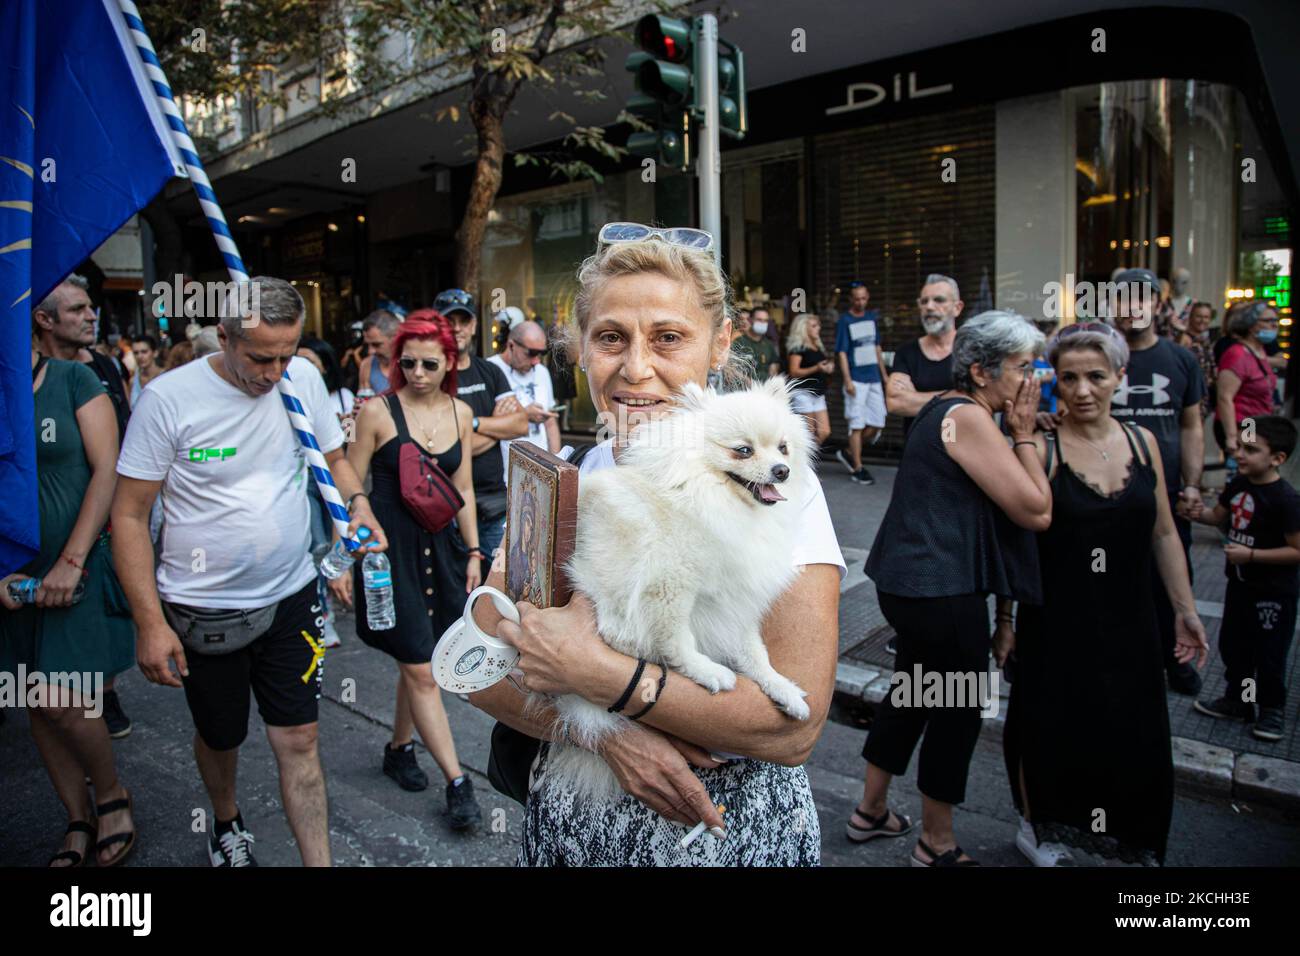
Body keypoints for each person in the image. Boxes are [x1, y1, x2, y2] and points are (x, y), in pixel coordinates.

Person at [466, 231, 845, 866]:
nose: (636, 368)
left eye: (668, 338)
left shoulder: (777, 489)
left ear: (720, 345)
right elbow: (473, 666)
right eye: (611, 337)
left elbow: (792, 728)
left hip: (724, 830)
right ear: (581, 347)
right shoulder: (563, 475)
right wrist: (610, 738)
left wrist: (596, 676)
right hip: (573, 826)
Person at [111, 277, 388, 867]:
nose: (273, 372)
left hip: (292, 597)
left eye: (285, 354)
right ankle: (226, 819)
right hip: (203, 609)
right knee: (221, 735)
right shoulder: (169, 399)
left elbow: (332, 457)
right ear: (223, 335)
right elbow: (130, 515)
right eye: (260, 356)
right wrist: (150, 624)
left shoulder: (302, 379)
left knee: (300, 737)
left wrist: (357, 505)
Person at [1005, 323, 1208, 867]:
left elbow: (1165, 533)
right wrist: (1005, 623)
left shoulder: (1144, 444)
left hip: (1132, 618)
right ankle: (1045, 829)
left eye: (1096, 376)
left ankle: (1131, 835)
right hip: (1057, 621)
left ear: (1121, 376)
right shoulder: (1041, 449)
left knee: (1133, 731)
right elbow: (1016, 543)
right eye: (1068, 378)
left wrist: (1185, 610)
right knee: (1055, 727)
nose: (1082, 389)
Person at [852, 311, 1049, 867]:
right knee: (957, 707)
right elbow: (1034, 510)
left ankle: (869, 812)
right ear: (983, 372)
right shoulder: (968, 417)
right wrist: (1028, 436)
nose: (1029, 378)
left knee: (915, 692)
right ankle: (935, 842)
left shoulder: (947, 408)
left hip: (914, 587)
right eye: (1020, 367)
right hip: (941, 591)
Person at [329, 313, 485, 829]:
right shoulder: (377, 410)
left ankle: (399, 747)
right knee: (421, 667)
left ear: (450, 363)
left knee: (418, 656)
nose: (417, 372)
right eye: (408, 362)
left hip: (440, 551)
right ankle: (457, 782)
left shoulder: (461, 412)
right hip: (390, 551)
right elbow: (348, 471)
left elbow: (461, 489)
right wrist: (348, 539)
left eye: (429, 364)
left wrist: (475, 554)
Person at [0, 351, 138, 867]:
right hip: (11, 579)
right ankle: (77, 816)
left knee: (61, 697)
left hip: (72, 572)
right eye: (77, 308)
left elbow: (108, 471)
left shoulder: (73, 378)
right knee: (34, 701)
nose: (88, 315)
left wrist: (72, 561)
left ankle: (111, 795)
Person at [32, 274, 133, 739]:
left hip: (99, 532)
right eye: (78, 310)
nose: (92, 316)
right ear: (43, 319)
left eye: (91, 308)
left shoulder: (99, 371)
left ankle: (102, 697)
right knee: (39, 681)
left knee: (94, 637)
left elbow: (116, 456)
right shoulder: (19, 380)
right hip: (29, 552)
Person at [1108, 267, 1206, 696]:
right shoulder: (1099, 357)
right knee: (1109, 581)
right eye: (1122, 299)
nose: (1131, 308)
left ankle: (1175, 661)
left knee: (1169, 582)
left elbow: (1192, 427)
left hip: (1164, 496)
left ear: (1157, 305)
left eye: (1140, 299)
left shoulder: (1181, 359)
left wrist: (1192, 484)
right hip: (1106, 496)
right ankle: (1119, 661)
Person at [1192, 416, 1300, 743]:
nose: (1239, 454)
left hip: (1274, 593)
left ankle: (1271, 710)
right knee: (1235, 647)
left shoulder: (1286, 499)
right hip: (1240, 586)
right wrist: (1196, 511)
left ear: (1277, 459)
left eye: (1250, 449)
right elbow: (1216, 517)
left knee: (1268, 653)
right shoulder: (1238, 485)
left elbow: (1296, 550)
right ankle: (1240, 700)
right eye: (1238, 446)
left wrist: (1252, 556)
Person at [433, 288, 528, 574]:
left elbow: (520, 424)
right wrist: (497, 427)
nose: (457, 328)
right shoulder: (431, 375)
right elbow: (444, 451)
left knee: (502, 584)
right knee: (456, 593)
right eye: (450, 321)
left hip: (494, 503)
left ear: (474, 325)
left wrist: (473, 424)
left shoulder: (490, 372)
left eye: (464, 320)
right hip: (446, 506)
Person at [295, 337, 352, 649]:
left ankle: (334, 593)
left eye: (312, 363)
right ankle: (324, 617)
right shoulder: (288, 391)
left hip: (331, 476)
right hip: (304, 475)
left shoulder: (342, 396)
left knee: (336, 541)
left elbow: (347, 445)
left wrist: (347, 426)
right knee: (317, 546)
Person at [885, 274, 962, 439]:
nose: (929, 307)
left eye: (939, 300)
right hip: (918, 451)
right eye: (924, 301)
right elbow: (895, 402)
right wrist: (956, 396)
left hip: (963, 451)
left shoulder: (971, 351)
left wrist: (915, 398)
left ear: (957, 308)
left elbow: (981, 402)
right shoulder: (907, 352)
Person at [487, 319, 561, 463]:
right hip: (505, 473)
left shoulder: (542, 372)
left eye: (541, 354)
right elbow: (483, 425)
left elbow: (550, 423)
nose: (536, 361)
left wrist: (557, 463)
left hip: (542, 469)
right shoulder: (489, 369)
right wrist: (524, 415)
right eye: (531, 353)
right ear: (511, 345)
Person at [834, 281, 885, 485]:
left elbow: (877, 347)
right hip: (856, 378)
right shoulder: (845, 320)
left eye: (864, 298)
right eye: (857, 298)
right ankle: (858, 467)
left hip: (874, 377)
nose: (861, 302)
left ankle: (848, 452)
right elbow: (842, 352)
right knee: (856, 424)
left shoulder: (872, 318)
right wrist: (847, 380)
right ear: (851, 299)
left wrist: (885, 375)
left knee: (877, 422)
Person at [1216, 301, 1280, 463]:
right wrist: (1231, 437)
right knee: (1246, 467)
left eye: (1275, 321)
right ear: (1251, 325)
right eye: (1268, 320)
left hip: (1258, 422)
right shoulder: (1238, 354)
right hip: (1245, 423)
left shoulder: (1259, 351)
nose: (1274, 325)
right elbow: (1225, 397)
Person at [785, 313, 834, 447]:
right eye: (813, 326)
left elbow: (820, 366)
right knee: (809, 432)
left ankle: (805, 461)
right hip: (803, 392)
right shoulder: (798, 348)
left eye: (818, 325)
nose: (817, 328)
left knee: (824, 432)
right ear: (803, 328)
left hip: (818, 393)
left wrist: (827, 368)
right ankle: (803, 464)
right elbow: (794, 372)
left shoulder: (817, 346)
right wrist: (817, 368)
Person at [1180, 302, 1218, 418]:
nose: (1202, 320)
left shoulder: (1206, 340)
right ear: (1191, 317)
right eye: (1198, 316)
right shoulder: (1184, 339)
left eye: (1206, 317)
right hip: (1188, 394)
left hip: (1204, 395)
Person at [357, 309, 401, 397]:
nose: (370, 351)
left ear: (396, 338)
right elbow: (363, 405)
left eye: (376, 344)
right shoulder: (367, 365)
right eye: (367, 345)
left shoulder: (415, 366)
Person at [730, 305, 780, 383]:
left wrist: (771, 385)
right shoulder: (739, 342)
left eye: (765, 320)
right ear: (750, 320)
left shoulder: (769, 344)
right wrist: (750, 383)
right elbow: (731, 369)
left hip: (766, 389)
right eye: (759, 320)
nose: (763, 323)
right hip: (745, 390)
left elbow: (773, 369)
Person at [130, 334, 164, 404]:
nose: (139, 356)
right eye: (136, 353)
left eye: (144, 352)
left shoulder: (165, 376)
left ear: (155, 353)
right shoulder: (133, 382)